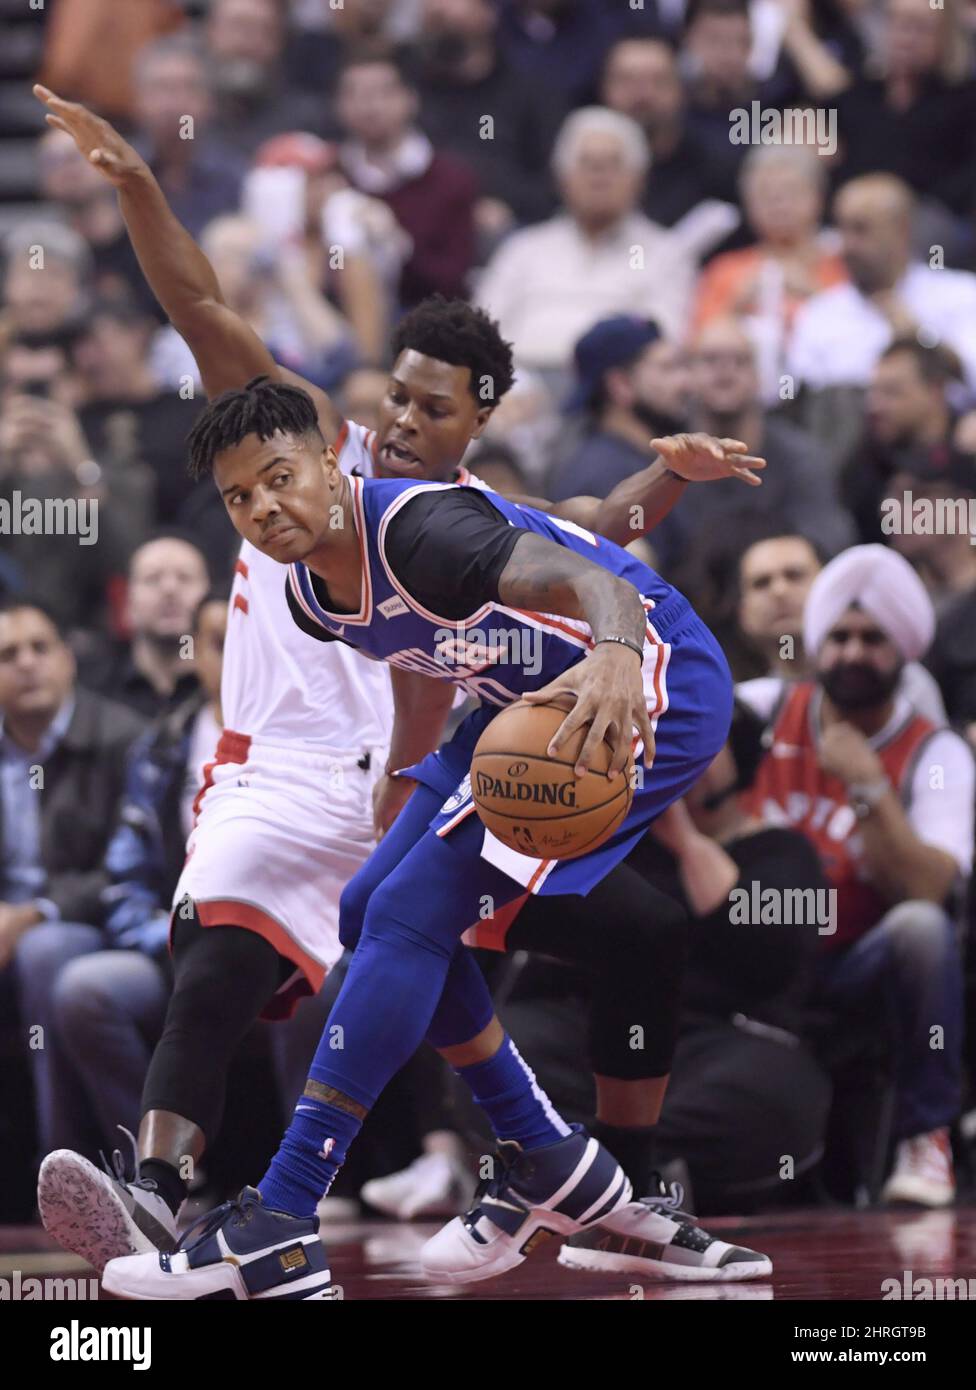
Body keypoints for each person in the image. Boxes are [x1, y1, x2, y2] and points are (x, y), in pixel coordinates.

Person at [33, 86, 771, 1298]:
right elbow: (436, 660)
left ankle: (285, 1209)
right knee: (376, 909)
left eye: (432, 406)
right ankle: (553, 1169)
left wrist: (614, 623)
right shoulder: (324, 559)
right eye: (242, 496)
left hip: (637, 683)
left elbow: (586, 558)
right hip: (460, 712)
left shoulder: (422, 522)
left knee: (418, 917)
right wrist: (406, 782)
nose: (401, 417)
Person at [739, 545, 974, 1207]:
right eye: (837, 638)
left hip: (853, 968)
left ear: (903, 649)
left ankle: (926, 1139)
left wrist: (867, 783)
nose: (851, 653)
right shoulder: (760, 710)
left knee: (923, 930)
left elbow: (929, 891)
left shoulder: (937, 752)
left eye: (873, 639)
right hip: (755, 956)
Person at [42, 595, 228, 1162]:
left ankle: (315, 1182)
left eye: (248, 641)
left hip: (281, 950)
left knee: (318, 995)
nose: (237, 658)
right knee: (84, 989)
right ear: (196, 656)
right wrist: (173, 940)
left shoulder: (307, 737)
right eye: (219, 644)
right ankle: (153, 1175)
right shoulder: (161, 748)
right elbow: (126, 876)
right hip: (176, 946)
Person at [0, 599, 145, 1157]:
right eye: (8, 654)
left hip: (93, 921)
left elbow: (128, 866)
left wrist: (34, 912)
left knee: (44, 951)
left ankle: (65, 1161)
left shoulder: (122, 738)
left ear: (68, 661)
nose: (27, 664)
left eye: (40, 648)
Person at [476, 107, 695, 377]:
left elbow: (667, 341)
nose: (599, 176)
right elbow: (480, 338)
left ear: (639, 179)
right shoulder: (523, 250)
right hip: (519, 394)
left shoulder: (664, 253)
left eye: (613, 164)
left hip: (618, 396)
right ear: (562, 178)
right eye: (587, 164)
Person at [335, 54, 479, 307]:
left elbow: (453, 280)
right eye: (356, 95)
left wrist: (397, 243)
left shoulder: (451, 179)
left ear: (410, 99)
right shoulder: (331, 174)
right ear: (339, 106)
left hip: (423, 315)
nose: (369, 106)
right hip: (343, 314)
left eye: (383, 93)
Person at [79, 536, 210, 720]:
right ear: (127, 602)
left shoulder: (227, 688)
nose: (169, 589)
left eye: (185, 578)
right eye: (152, 579)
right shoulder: (93, 692)